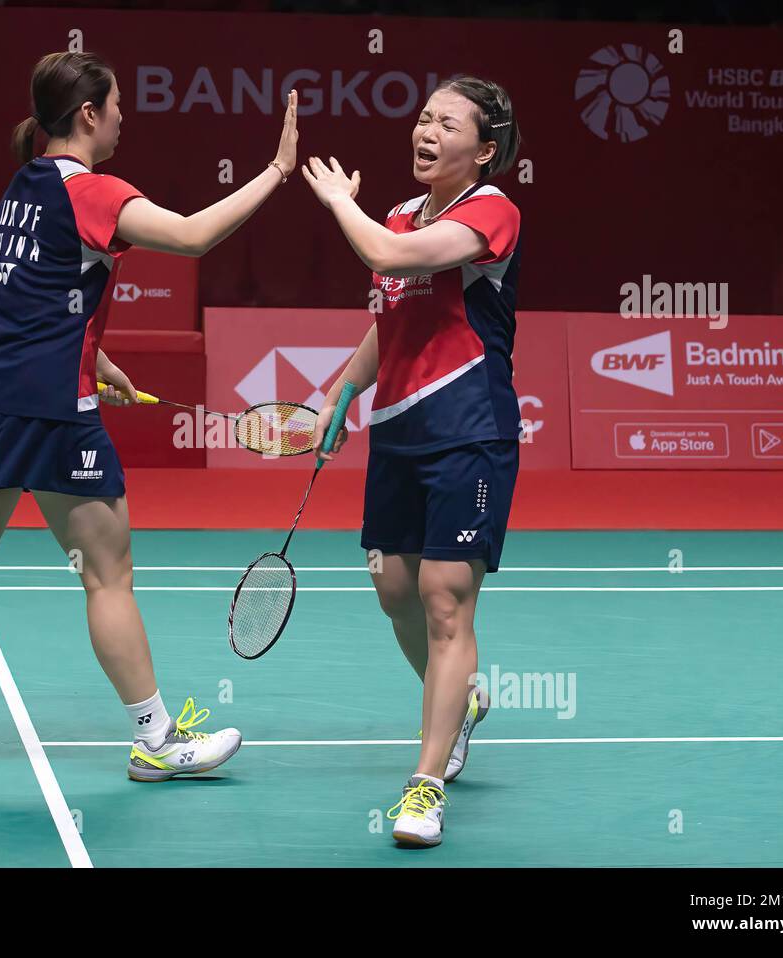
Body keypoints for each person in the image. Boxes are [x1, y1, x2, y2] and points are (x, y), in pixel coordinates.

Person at [0, 50, 300, 784]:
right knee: (109, 574)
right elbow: (193, 236)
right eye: (119, 104)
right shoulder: (96, 192)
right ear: (89, 114)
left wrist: (96, 359)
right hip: (48, 412)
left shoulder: (23, 185)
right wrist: (277, 172)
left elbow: (34, 296)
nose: (127, 116)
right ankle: (156, 739)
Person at [302, 75, 521, 846]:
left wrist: (337, 203)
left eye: (447, 124)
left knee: (443, 598)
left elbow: (390, 253)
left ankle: (425, 784)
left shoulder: (492, 212)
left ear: (483, 150)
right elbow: (387, 318)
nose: (427, 132)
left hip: (471, 432)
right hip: (398, 432)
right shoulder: (397, 211)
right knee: (393, 588)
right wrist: (340, 394)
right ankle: (457, 698)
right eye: (424, 118)